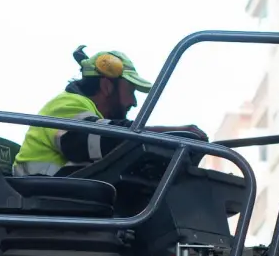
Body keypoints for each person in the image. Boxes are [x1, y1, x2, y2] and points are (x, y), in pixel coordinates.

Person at [13, 45, 211, 177]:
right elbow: (98, 140)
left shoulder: (87, 111)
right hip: (48, 203)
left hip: (65, 203)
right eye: (131, 91)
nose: (133, 102)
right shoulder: (65, 104)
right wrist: (167, 133)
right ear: (107, 86)